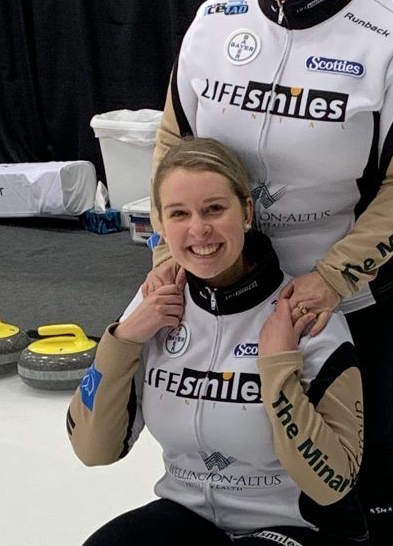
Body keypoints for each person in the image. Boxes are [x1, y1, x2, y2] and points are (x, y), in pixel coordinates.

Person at [144, 0, 393, 546]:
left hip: (350, 295)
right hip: (228, 282)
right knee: (241, 441)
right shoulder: (214, 21)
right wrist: (169, 258)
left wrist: (333, 279)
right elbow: (171, 147)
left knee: (366, 452)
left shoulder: (391, 42)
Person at [68, 137, 367, 546]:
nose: (198, 230)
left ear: (246, 211)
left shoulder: (304, 314)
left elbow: (332, 482)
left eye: (214, 209)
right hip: (188, 512)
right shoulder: (154, 304)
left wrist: (278, 367)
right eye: (178, 213)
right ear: (160, 221)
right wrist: (123, 340)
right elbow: (93, 449)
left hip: (296, 524)